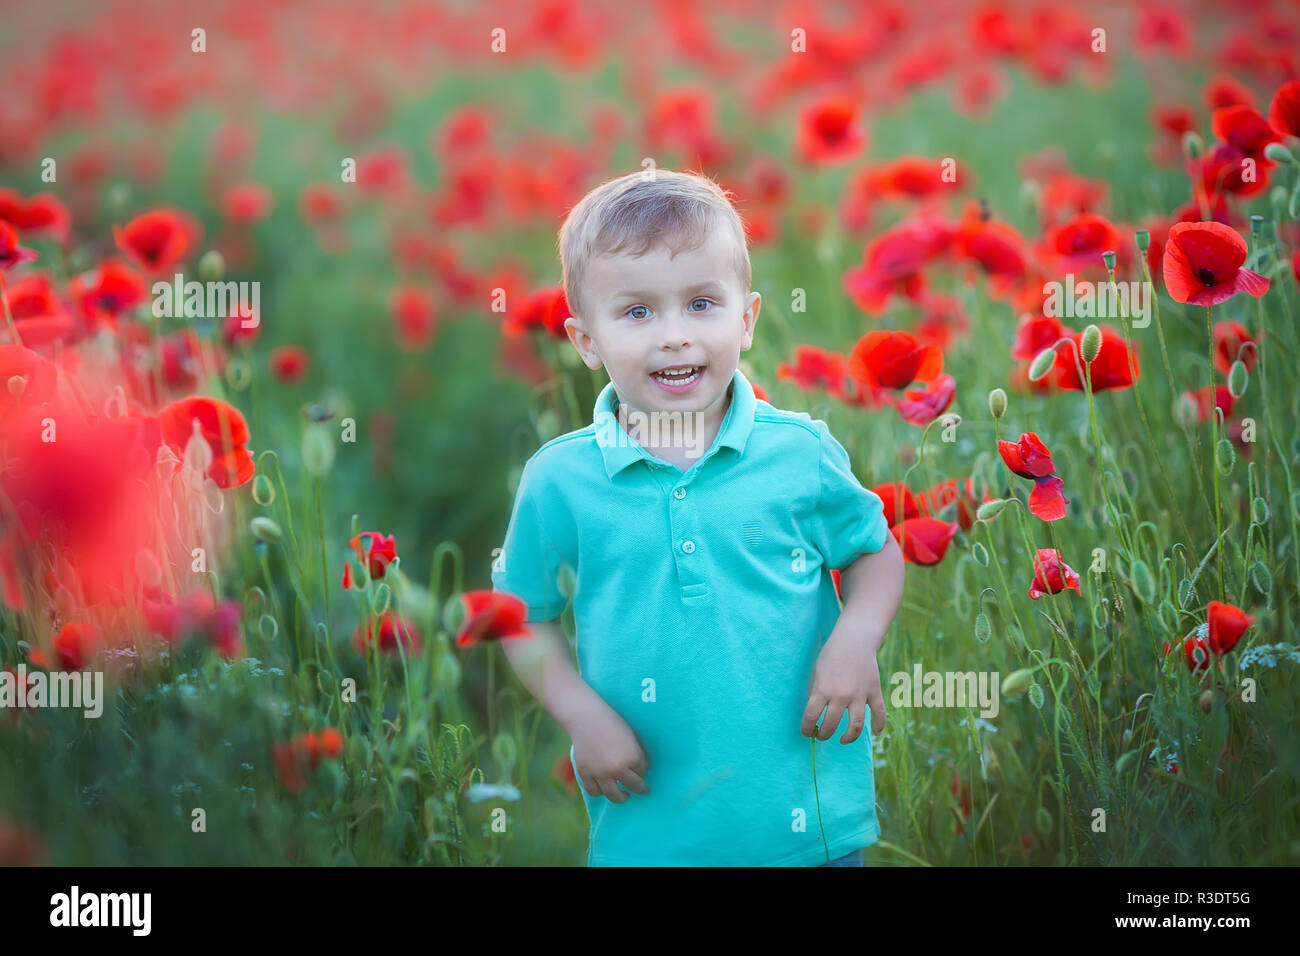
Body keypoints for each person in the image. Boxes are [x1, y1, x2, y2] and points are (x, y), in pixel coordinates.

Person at [492, 167, 905, 866]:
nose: (675, 336)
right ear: (585, 340)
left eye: (702, 304)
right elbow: (519, 614)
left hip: (806, 820)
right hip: (653, 828)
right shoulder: (561, 481)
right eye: (637, 312)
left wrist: (855, 641)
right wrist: (582, 716)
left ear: (746, 319)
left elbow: (874, 553)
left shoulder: (798, 453)